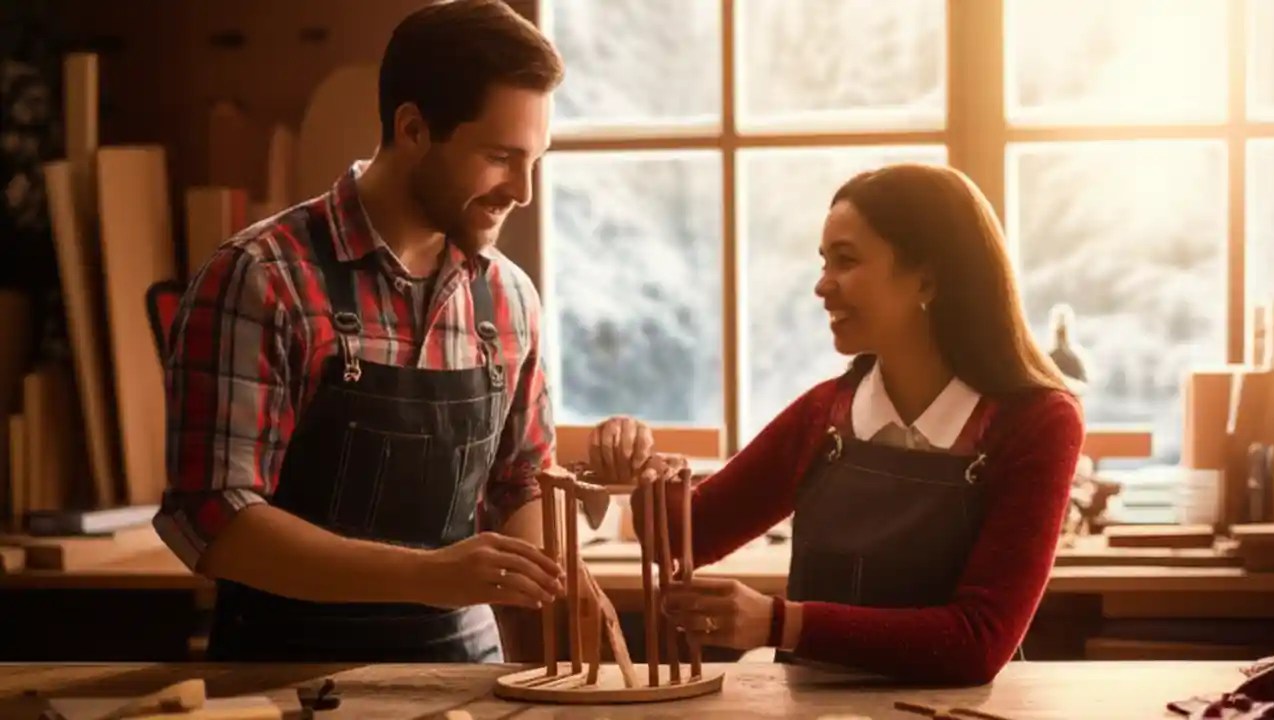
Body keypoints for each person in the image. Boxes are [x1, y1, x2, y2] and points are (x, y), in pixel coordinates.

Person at [155, 0, 581, 663]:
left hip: (460, 673)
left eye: (535, 159)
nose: (523, 190)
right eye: (501, 157)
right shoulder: (263, 278)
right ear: (413, 129)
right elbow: (214, 520)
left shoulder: (508, 297)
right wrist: (427, 576)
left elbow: (521, 480)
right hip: (279, 679)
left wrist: (546, 556)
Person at [591, 163, 1085, 685]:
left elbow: (976, 642)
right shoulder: (822, 415)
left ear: (928, 277)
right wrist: (641, 467)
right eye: (823, 263)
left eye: (845, 262)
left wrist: (779, 623)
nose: (822, 286)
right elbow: (687, 535)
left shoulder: (1037, 423)